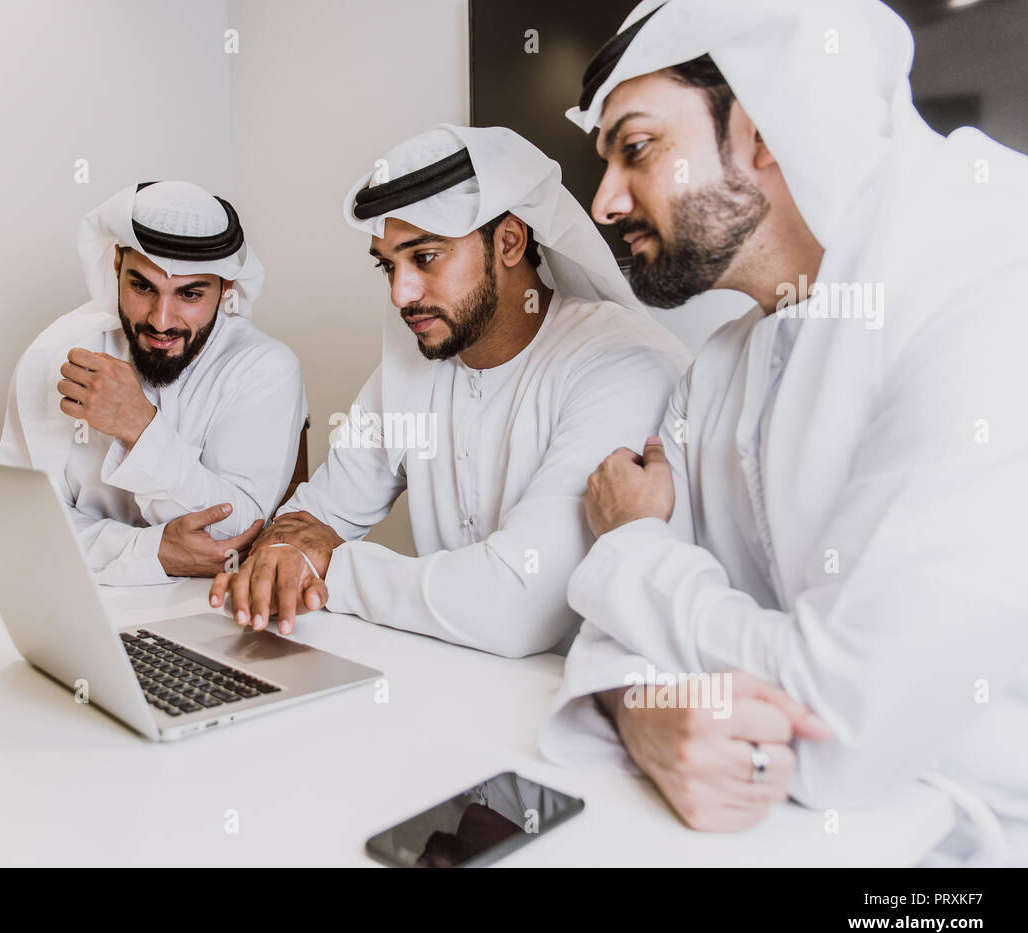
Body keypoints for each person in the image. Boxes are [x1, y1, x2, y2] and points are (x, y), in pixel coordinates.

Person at [539, 0, 1028, 863]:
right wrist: (639, 710)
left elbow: (845, 725)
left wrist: (633, 547)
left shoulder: (990, 272)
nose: (604, 200)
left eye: (637, 147)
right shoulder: (723, 364)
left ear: (763, 124)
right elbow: (608, 631)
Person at [209, 125, 689, 657]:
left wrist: (331, 565)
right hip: (451, 682)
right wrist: (285, 549)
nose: (400, 293)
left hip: (589, 704)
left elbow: (516, 609)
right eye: (388, 266)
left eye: (426, 257)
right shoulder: (410, 370)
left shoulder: (620, 365)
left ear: (509, 241)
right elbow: (311, 517)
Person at [0, 181, 308, 585]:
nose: (161, 320)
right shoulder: (56, 354)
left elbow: (235, 533)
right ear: (116, 268)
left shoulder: (263, 368)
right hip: (70, 602)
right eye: (142, 286)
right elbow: (21, 527)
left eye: (190, 294)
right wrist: (152, 551)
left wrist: (140, 428)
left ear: (225, 289)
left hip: (207, 611)